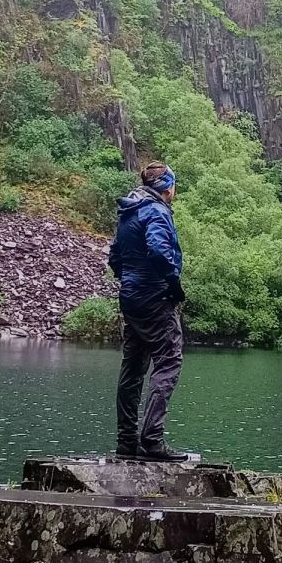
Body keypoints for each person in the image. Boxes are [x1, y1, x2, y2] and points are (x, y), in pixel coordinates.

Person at [107, 162, 191, 461]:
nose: (174, 191)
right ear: (168, 187)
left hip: (130, 297)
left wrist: (130, 280)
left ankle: (126, 441)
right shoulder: (155, 210)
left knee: (133, 367)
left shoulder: (128, 212)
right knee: (169, 362)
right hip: (155, 297)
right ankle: (152, 440)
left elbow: (115, 257)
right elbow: (158, 250)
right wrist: (172, 283)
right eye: (174, 185)